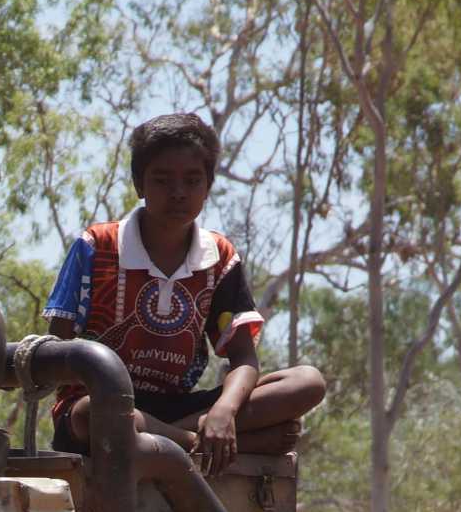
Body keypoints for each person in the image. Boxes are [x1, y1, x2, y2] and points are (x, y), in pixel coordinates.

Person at [44, 112, 326, 477]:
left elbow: (244, 358)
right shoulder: (97, 246)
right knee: (95, 414)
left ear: (208, 185)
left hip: (175, 408)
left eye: (192, 180)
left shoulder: (219, 256)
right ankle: (197, 443)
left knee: (307, 382)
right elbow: (53, 350)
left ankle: (193, 435)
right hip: (98, 408)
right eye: (162, 180)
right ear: (139, 184)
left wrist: (224, 410)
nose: (178, 192)